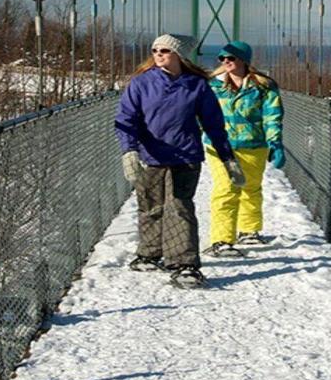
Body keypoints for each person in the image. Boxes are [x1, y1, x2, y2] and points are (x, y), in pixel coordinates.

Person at [115, 34, 245, 288]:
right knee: (150, 205)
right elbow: (125, 119)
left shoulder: (196, 85)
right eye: (154, 50)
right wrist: (129, 151)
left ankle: (185, 264)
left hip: (185, 156)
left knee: (179, 207)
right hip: (150, 156)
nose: (158, 54)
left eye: (164, 50)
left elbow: (214, 124)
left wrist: (227, 156)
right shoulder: (141, 84)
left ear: (178, 55)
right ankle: (149, 253)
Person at [202, 41, 285, 258]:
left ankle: (248, 230)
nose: (225, 62)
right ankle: (221, 240)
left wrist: (275, 142)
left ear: (244, 60)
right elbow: (200, 113)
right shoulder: (212, 85)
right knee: (226, 189)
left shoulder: (264, 86)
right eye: (222, 58)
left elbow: (272, 116)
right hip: (220, 147)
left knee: (251, 187)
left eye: (231, 58)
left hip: (254, 145)